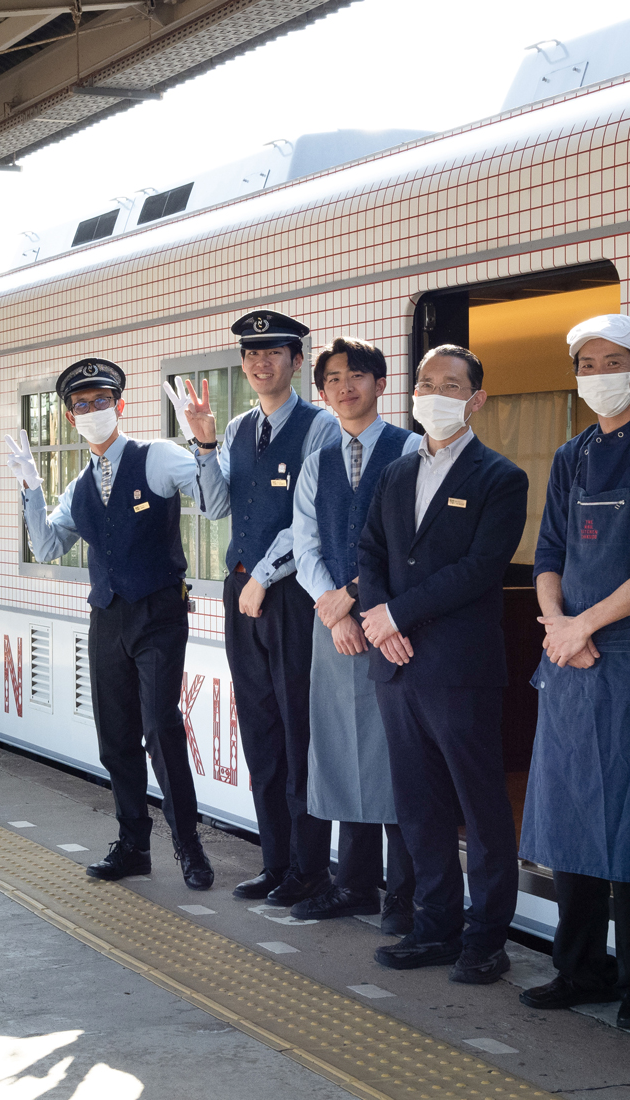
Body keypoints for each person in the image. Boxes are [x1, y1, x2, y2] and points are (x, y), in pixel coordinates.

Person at [519, 315, 630, 1030]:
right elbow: (547, 555)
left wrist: (584, 627)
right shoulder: (571, 455)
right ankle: (578, 968)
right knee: (570, 827)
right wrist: (558, 625)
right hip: (568, 661)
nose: (598, 373)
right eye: (585, 362)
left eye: (613, 361)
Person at [6, 357, 213, 891]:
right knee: (115, 736)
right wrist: (31, 490)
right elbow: (48, 546)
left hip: (159, 610)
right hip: (107, 615)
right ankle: (133, 846)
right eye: (82, 405)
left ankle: (189, 846)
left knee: (161, 728)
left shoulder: (159, 456)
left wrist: (203, 445)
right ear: (71, 417)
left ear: (120, 406)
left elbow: (213, 502)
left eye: (103, 401)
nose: (94, 410)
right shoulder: (77, 487)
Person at [355, 344, 528, 984]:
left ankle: (486, 937)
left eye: (450, 384)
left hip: (459, 670)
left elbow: (480, 569)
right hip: (396, 668)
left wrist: (396, 616)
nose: (435, 393)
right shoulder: (397, 473)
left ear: (476, 399)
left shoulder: (500, 477)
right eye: (426, 382)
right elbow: (368, 552)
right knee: (419, 805)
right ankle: (434, 926)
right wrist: (378, 617)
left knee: (480, 806)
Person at [174, 309, 341, 906]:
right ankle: (276, 863)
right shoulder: (241, 429)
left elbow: (312, 518)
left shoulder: (320, 426)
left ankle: (310, 870)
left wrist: (264, 577)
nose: (260, 362)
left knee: (299, 735)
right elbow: (216, 506)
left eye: (273, 352)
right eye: (250, 354)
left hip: (291, 597)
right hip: (243, 596)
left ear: (297, 361)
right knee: (262, 734)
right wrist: (203, 441)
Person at [289, 337, 420, 934]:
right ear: (322, 393)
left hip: (396, 625)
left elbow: (415, 548)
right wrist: (333, 609)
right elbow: (306, 543)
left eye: (358, 375)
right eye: (334, 378)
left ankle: (405, 892)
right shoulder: (318, 463)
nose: (346, 386)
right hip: (334, 625)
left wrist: (357, 600)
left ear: (381, 384)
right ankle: (355, 884)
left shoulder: (413, 450)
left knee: (399, 756)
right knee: (342, 750)